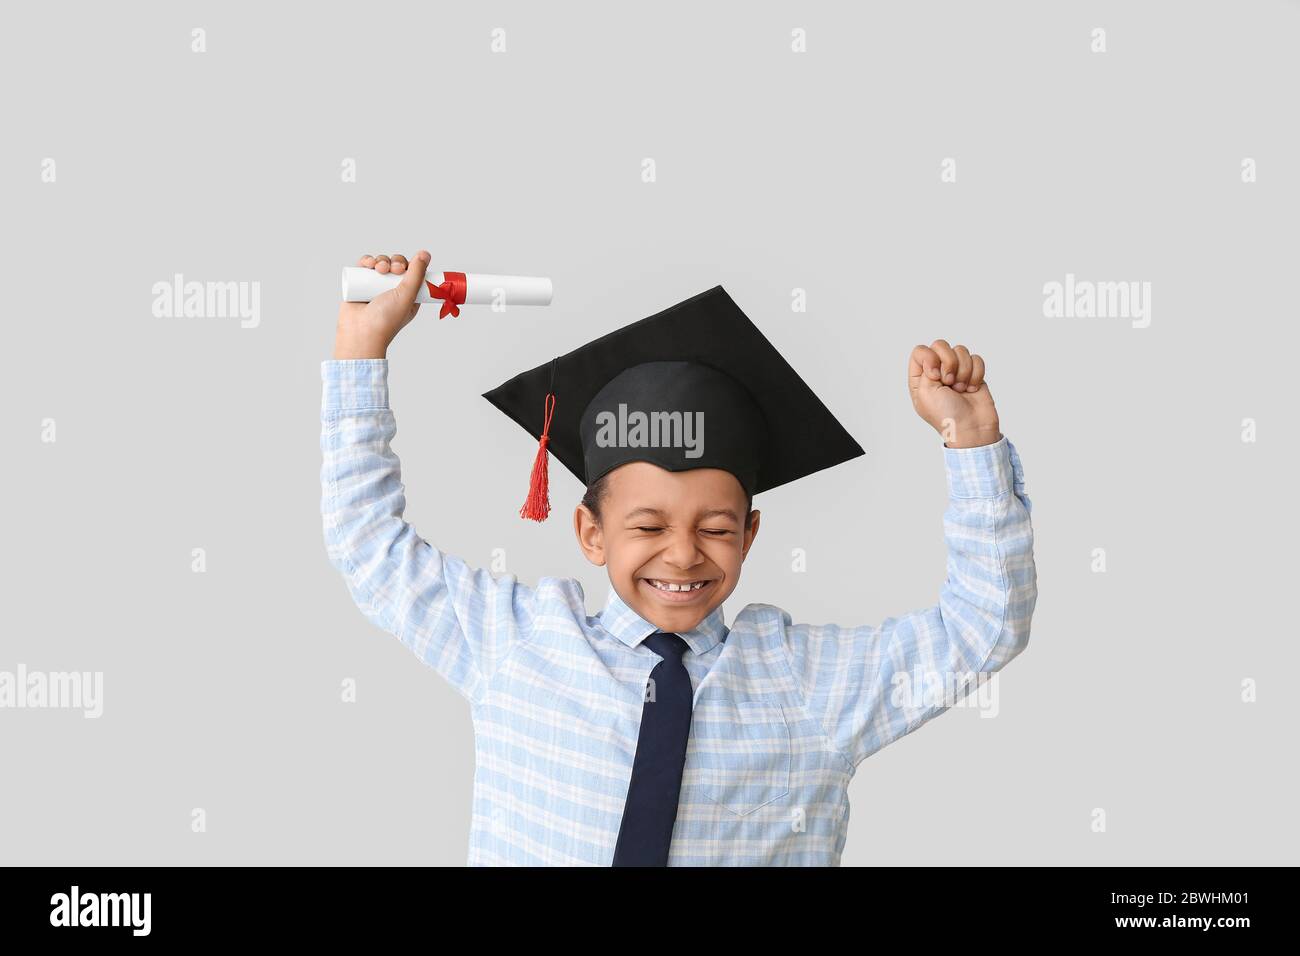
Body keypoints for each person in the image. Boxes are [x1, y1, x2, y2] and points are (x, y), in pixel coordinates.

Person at [321, 249, 1038, 866]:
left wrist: (970, 441)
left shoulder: (810, 686)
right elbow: (369, 545)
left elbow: (982, 629)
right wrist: (361, 347)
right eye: (649, 525)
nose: (684, 553)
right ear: (591, 532)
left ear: (750, 534)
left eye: (717, 528)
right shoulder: (514, 643)